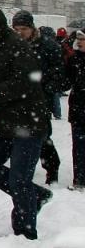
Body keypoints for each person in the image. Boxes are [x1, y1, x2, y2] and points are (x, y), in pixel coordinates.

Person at [0, 2, 54, 241]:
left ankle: (25, 233)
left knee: (19, 180)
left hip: (28, 123)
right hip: (4, 121)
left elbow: (27, 81)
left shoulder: (17, 47)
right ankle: (35, 196)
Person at [13, 10, 69, 185]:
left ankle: (51, 169)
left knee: (42, 137)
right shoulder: (12, 45)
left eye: (23, 28)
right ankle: (21, 173)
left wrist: (45, 88)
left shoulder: (48, 46)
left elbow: (59, 73)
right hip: (17, 99)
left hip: (39, 100)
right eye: (16, 29)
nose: (20, 32)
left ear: (31, 28)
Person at [68, 30, 85, 191]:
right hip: (78, 109)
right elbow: (66, 80)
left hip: (79, 106)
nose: (79, 42)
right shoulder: (74, 59)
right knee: (79, 146)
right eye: (78, 39)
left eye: (82, 40)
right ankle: (79, 179)